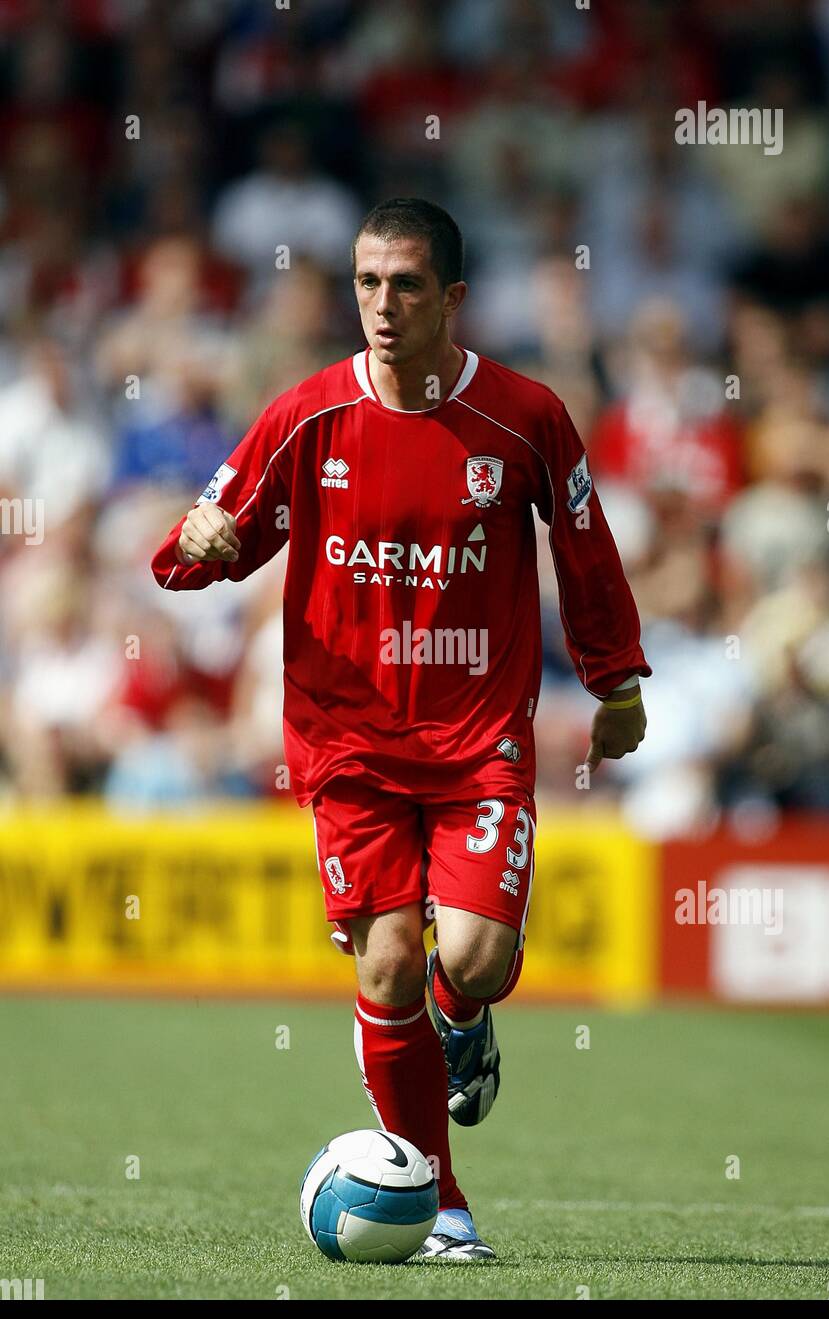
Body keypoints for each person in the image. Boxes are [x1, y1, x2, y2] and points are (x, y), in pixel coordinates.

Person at [152, 198, 650, 1260]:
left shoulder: (524, 417)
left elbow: (585, 550)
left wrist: (614, 686)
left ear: (453, 298)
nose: (383, 304)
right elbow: (208, 546)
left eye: (407, 284)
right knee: (382, 969)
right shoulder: (304, 417)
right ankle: (442, 1201)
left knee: (467, 956)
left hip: (477, 742)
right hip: (348, 746)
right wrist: (197, 538)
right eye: (368, 283)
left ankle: (459, 1016)